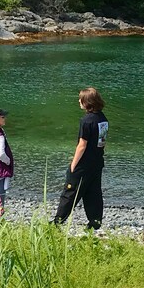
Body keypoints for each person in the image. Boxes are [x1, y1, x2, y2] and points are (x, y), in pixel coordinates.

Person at [53, 87, 108, 230]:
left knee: (70, 192)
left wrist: (73, 165)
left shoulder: (86, 121)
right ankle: (95, 221)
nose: (79, 101)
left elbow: (82, 145)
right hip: (97, 162)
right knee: (93, 192)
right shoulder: (103, 119)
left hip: (84, 164)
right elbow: (102, 142)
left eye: (80, 99)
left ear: (87, 102)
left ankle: (58, 221)